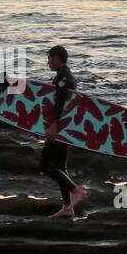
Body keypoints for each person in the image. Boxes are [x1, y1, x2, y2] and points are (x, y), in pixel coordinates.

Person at [40, 45, 87, 218]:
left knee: (45, 166)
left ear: (58, 58)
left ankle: (76, 190)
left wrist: (53, 125)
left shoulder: (62, 77)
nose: (48, 62)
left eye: (50, 58)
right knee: (60, 167)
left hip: (59, 127)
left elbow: (59, 102)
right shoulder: (67, 75)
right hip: (66, 127)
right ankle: (68, 208)